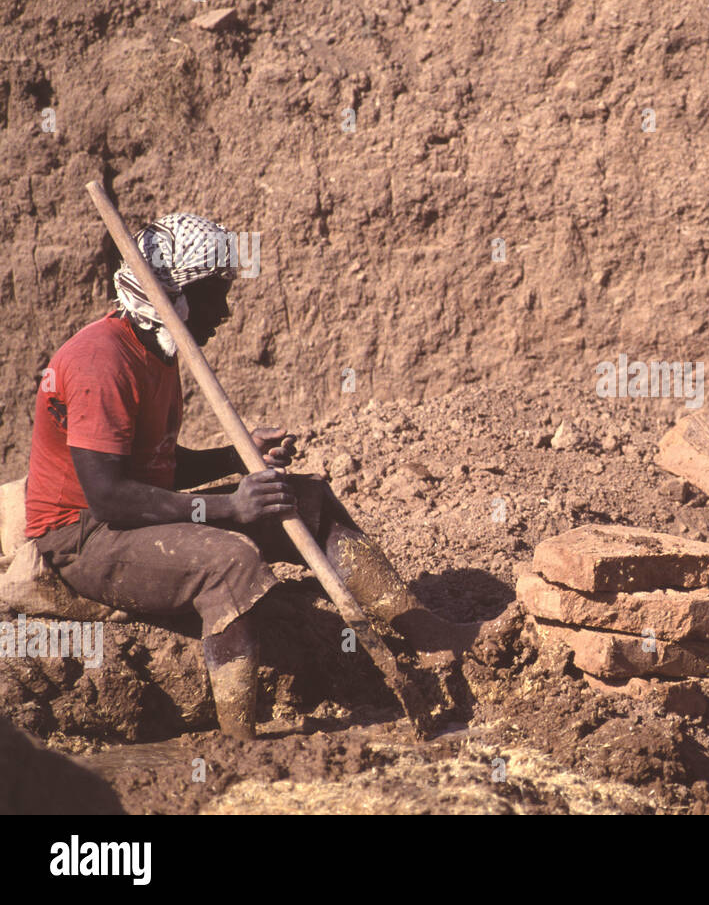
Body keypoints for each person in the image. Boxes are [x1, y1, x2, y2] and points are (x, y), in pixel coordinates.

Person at [25, 213, 472, 739]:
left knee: (305, 499)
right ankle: (240, 739)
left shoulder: (153, 350)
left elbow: (153, 465)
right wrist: (230, 510)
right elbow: (109, 497)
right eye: (216, 294)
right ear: (176, 297)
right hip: (83, 537)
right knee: (229, 560)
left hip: (124, 515)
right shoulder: (101, 361)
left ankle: (424, 632)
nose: (226, 312)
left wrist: (235, 458)